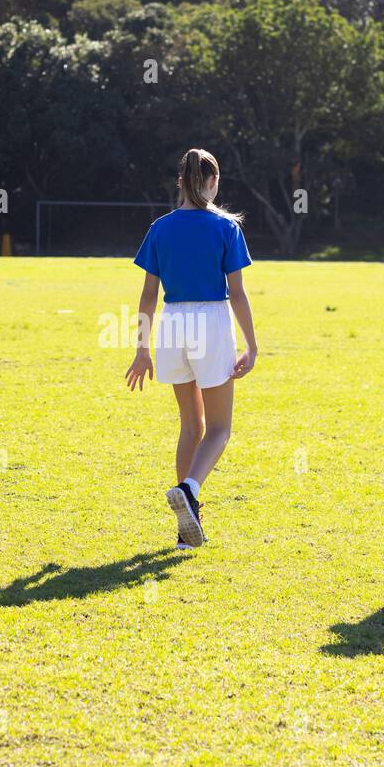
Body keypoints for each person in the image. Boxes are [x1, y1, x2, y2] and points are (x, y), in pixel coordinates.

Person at [125, 149, 259, 549]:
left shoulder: (160, 228)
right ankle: (189, 490)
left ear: (180, 182)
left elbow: (148, 296)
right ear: (213, 182)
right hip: (211, 323)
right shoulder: (226, 227)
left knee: (191, 425)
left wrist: (141, 348)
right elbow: (237, 293)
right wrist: (252, 346)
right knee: (219, 428)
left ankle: (187, 528)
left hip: (171, 324)